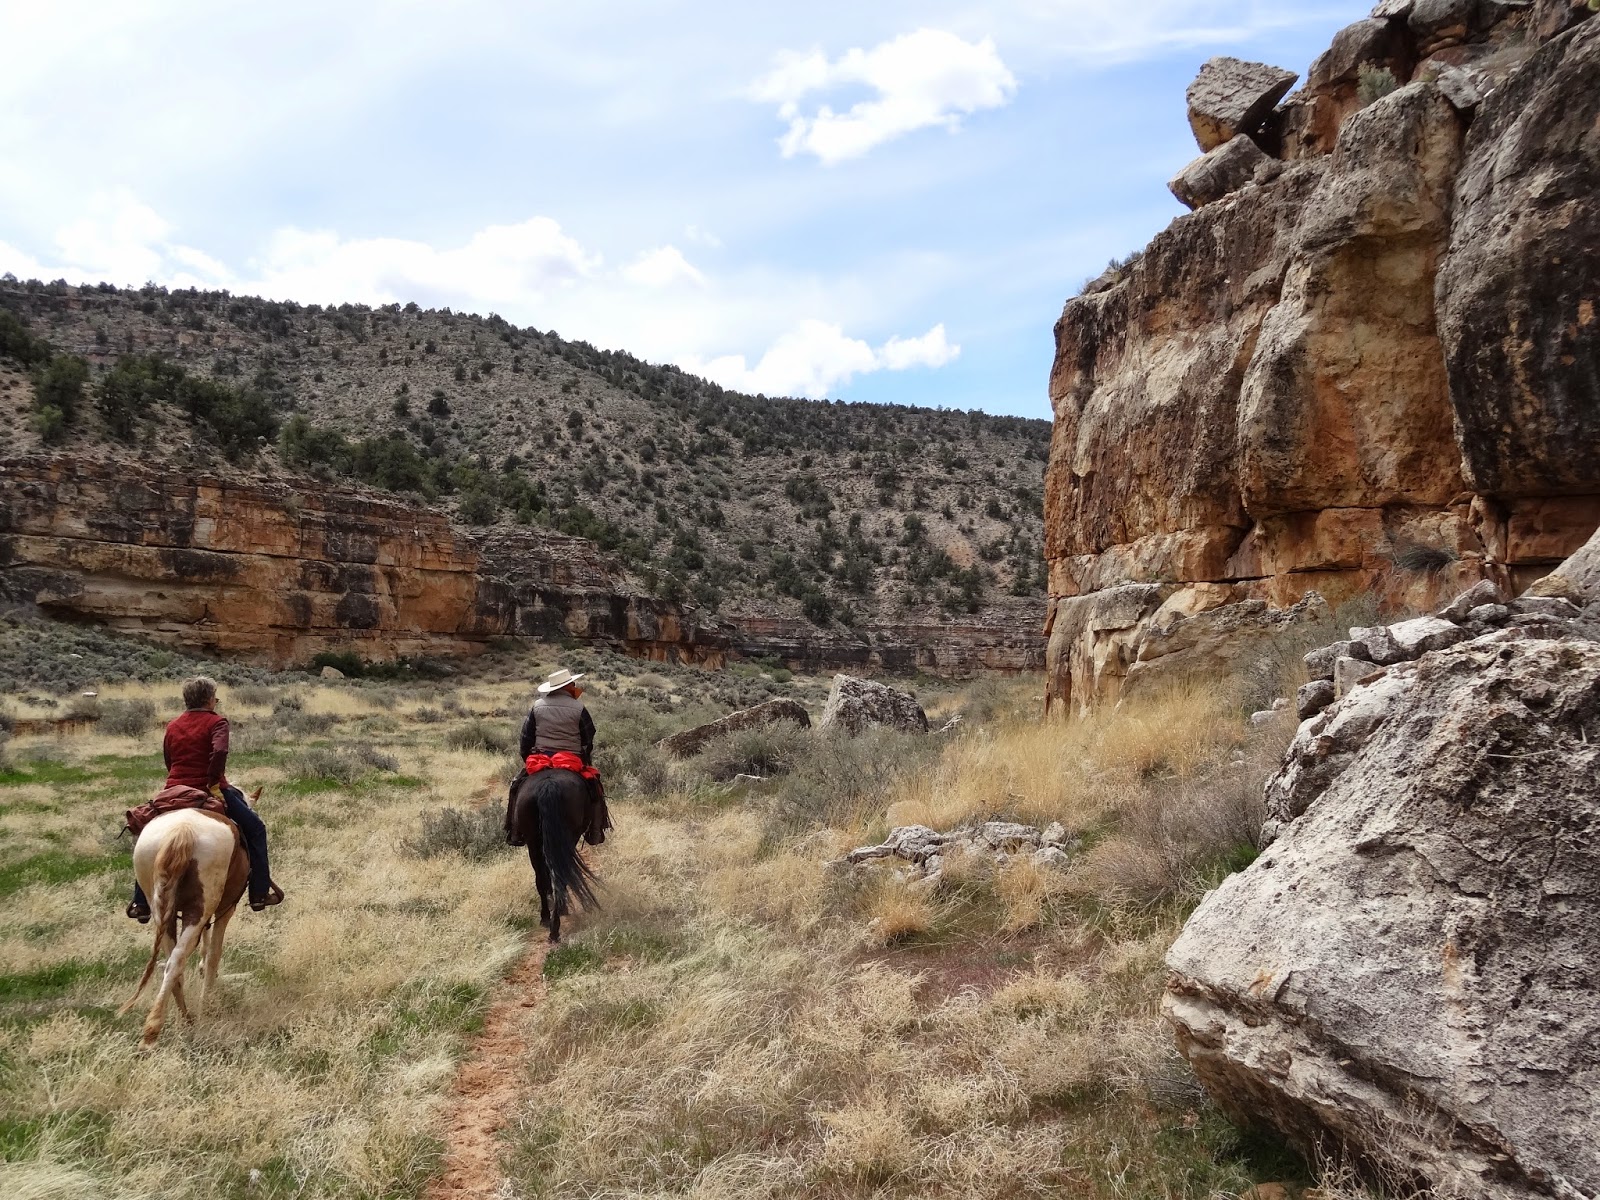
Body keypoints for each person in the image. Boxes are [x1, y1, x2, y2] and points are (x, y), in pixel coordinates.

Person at [126, 676, 283, 922]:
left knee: (147, 830)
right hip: (209, 787)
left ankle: (140, 901)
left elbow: (169, 758)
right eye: (215, 697)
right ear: (210, 699)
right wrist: (211, 781)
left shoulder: (173, 725)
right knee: (255, 829)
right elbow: (219, 751)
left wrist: (177, 781)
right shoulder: (217, 722)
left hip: (174, 787)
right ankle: (259, 893)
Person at [505, 667, 609, 846]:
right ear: (568, 686)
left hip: (541, 759)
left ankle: (514, 831)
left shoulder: (537, 706)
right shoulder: (579, 707)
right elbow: (588, 735)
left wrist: (528, 760)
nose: (575, 686)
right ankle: (595, 830)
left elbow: (525, 738)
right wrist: (585, 757)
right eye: (573, 683)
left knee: (516, 786)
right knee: (595, 786)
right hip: (571, 760)